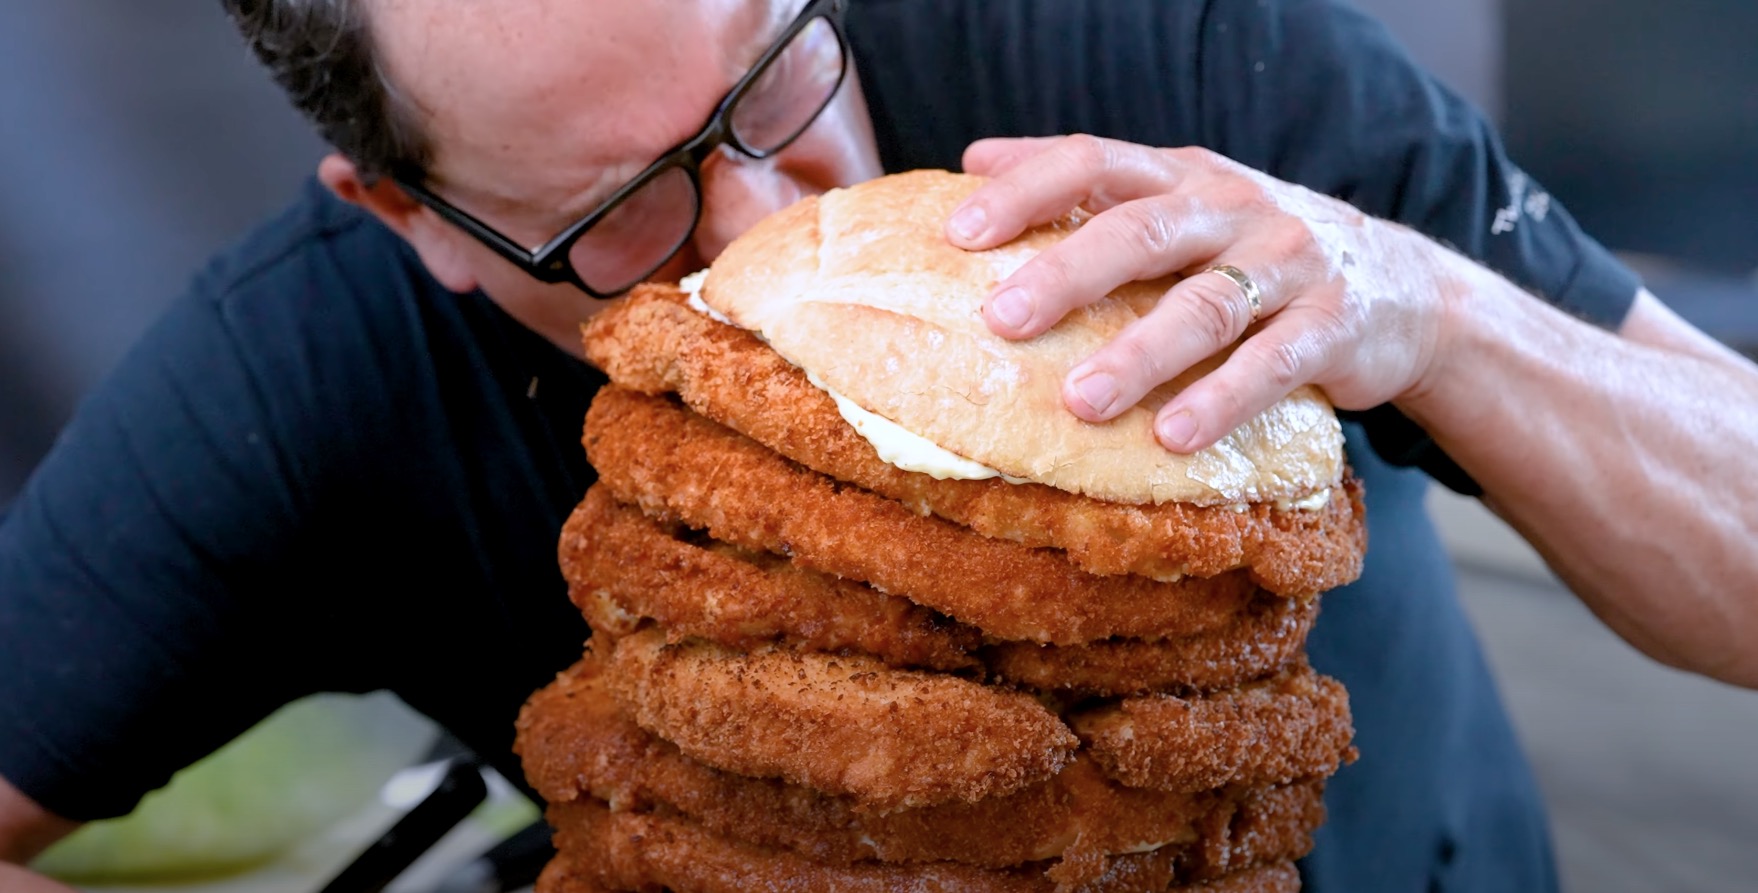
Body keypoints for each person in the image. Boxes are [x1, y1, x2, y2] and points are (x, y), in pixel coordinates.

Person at [3, 1, 1755, 891]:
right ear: (411, 217)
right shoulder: (295, 373)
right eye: (624, 209)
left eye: (774, 81)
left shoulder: (1146, 54)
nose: (770, 213)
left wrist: (1429, 307)